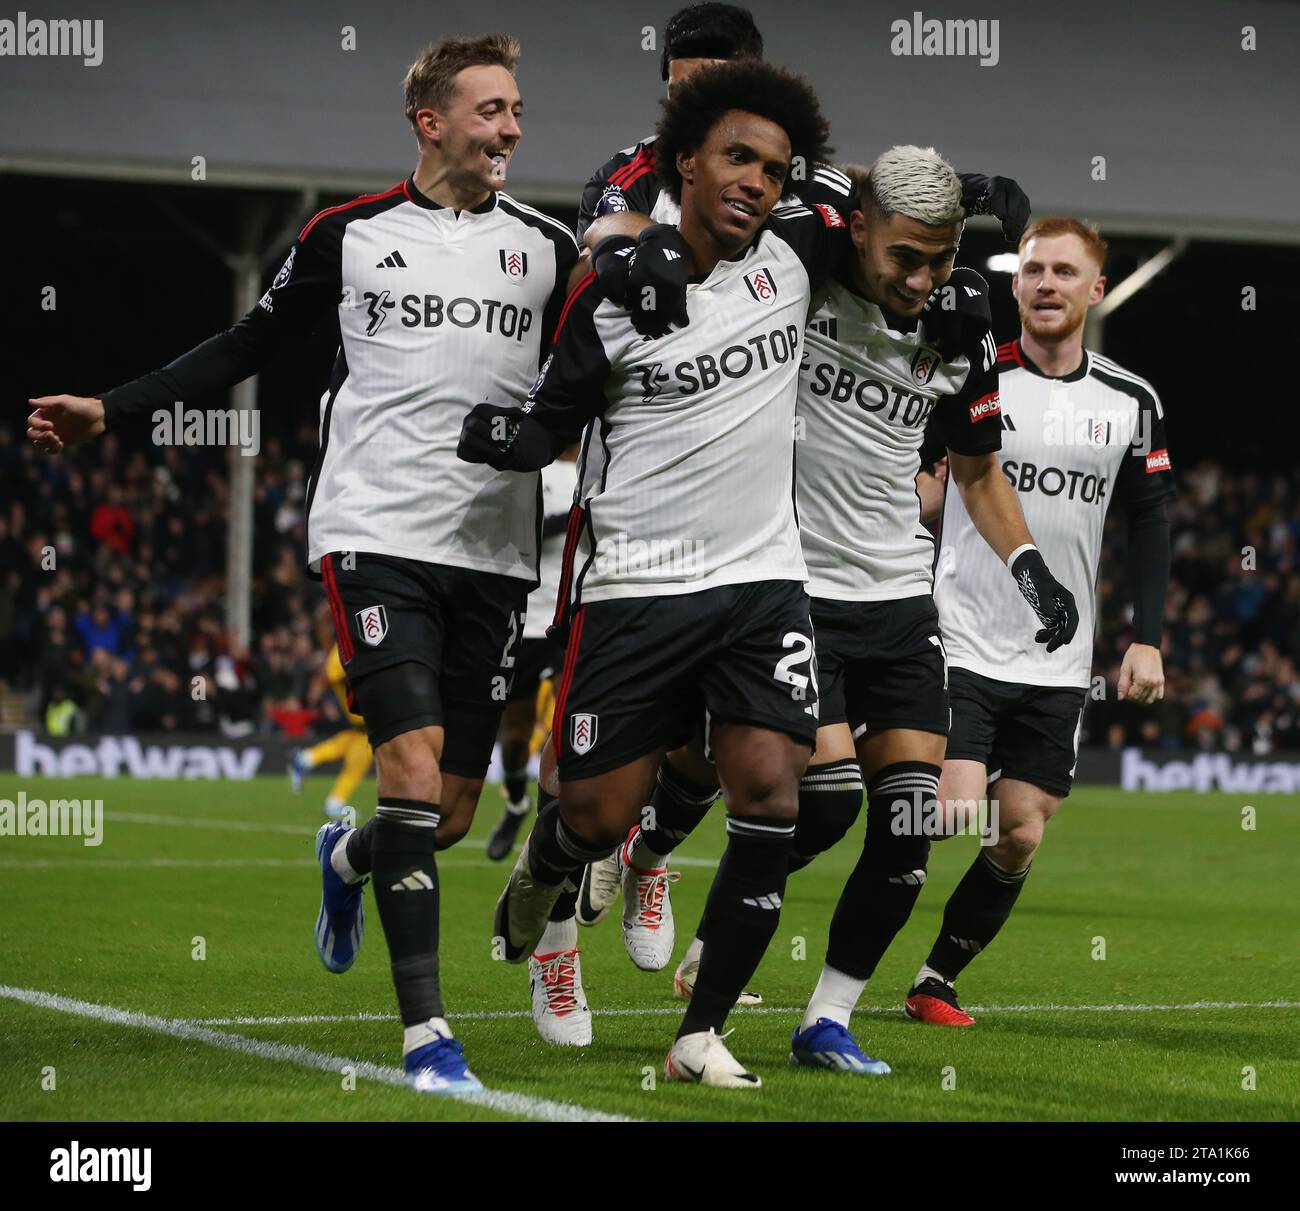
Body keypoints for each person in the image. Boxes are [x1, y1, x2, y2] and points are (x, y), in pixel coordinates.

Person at [27, 33, 579, 1094]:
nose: (511, 128)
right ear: (431, 122)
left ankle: (344, 858)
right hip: (376, 534)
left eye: (516, 109)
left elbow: (585, 377)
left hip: (497, 552)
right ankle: (429, 1037)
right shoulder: (349, 235)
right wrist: (114, 407)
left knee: (449, 813)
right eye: (490, 109)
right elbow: (245, 344)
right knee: (411, 769)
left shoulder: (548, 247)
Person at [459, 59, 844, 1087]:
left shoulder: (798, 256)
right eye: (736, 159)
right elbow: (550, 423)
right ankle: (544, 904)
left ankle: (699, 1033)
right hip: (632, 585)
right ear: (686, 161)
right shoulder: (610, 300)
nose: (757, 182)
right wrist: (502, 434)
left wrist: (970, 221)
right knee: (591, 810)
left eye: (772, 167)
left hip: (762, 579)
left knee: (772, 786)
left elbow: (888, 225)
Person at [904, 216, 1174, 1026]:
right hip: (960, 634)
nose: (1046, 284)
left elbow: (1150, 522)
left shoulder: (1131, 401)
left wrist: (1146, 636)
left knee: (1018, 831)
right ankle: (804, 939)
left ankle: (935, 979)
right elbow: (918, 483)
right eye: (1032, 271)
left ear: (1096, 288)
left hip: (1058, 659)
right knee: (946, 808)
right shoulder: (969, 378)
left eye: (1063, 271)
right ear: (1013, 285)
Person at [485, 443, 580, 863]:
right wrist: (575, 516)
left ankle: (568, 819)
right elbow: (521, 527)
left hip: (573, 614)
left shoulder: (602, 465)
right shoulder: (533, 472)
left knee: (572, 717)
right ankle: (516, 804)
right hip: (526, 615)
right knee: (518, 730)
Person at [289, 608, 373, 821]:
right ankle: (335, 802)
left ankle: (307, 758)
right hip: (363, 715)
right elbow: (333, 674)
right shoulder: (345, 651)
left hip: (360, 719)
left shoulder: (345, 648)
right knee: (362, 753)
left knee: (354, 742)